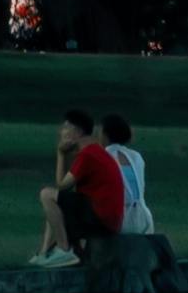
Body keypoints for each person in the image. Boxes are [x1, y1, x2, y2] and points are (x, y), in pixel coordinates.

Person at [33, 106, 127, 263]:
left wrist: (60, 154)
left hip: (102, 219)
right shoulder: (95, 151)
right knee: (56, 205)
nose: (60, 133)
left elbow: (62, 185)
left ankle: (64, 250)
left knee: (46, 195)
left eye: (65, 128)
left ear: (76, 132)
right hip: (107, 219)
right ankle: (44, 254)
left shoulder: (88, 155)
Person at [101, 113, 155, 232]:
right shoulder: (137, 157)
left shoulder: (102, 157)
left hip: (119, 221)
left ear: (105, 135)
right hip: (143, 219)